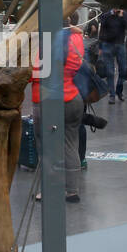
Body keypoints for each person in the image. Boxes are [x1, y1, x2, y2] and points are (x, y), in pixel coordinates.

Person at [31, 22, 84, 204]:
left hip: (47, 100)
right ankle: (72, 190)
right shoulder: (76, 37)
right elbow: (75, 66)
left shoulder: (45, 42)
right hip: (73, 98)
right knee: (70, 144)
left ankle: (49, 189)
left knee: (46, 147)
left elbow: (35, 72)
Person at [98, 7, 127, 104]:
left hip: (120, 44)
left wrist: (122, 17)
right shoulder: (107, 15)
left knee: (123, 70)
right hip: (108, 45)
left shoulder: (123, 14)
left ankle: (119, 91)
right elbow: (102, 29)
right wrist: (100, 46)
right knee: (110, 72)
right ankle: (112, 95)